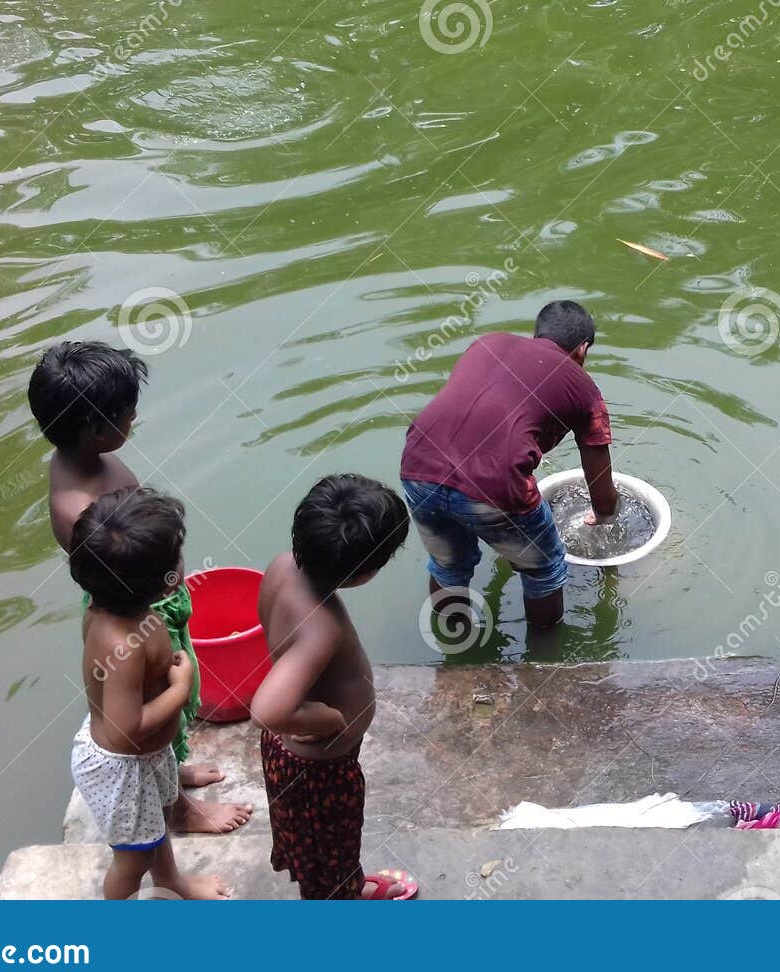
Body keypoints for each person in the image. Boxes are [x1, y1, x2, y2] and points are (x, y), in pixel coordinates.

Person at [29, 341, 252, 835]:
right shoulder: (75, 506)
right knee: (159, 702)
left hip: (152, 598)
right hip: (136, 616)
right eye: (128, 413)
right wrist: (166, 592)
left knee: (171, 703)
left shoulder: (83, 456)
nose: (134, 419)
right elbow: (119, 580)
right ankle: (177, 811)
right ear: (94, 427)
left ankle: (174, 771)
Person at [399, 300, 618, 629]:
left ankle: (455, 650)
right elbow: (602, 495)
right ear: (583, 350)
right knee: (544, 569)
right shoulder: (585, 389)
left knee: (448, 566)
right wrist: (604, 518)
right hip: (494, 486)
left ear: (537, 334)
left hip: (417, 467)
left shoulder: (487, 343)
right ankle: (541, 662)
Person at [250, 474, 418, 900]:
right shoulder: (319, 628)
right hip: (316, 774)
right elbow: (268, 709)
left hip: (295, 759)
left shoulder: (283, 565)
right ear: (364, 572)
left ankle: (342, 886)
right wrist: (329, 719)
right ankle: (339, 897)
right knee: (329, 856)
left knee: (321, 855)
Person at [67, 489, 229, 899]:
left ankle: (171, 881)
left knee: (155, 825)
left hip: (145, 757)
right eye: (177, 554)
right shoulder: (124, 644)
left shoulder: (115, 607)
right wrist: (180, 688)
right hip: (122, 768)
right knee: (132, 858)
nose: (182, 558)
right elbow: (125, 730)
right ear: (162, 582)